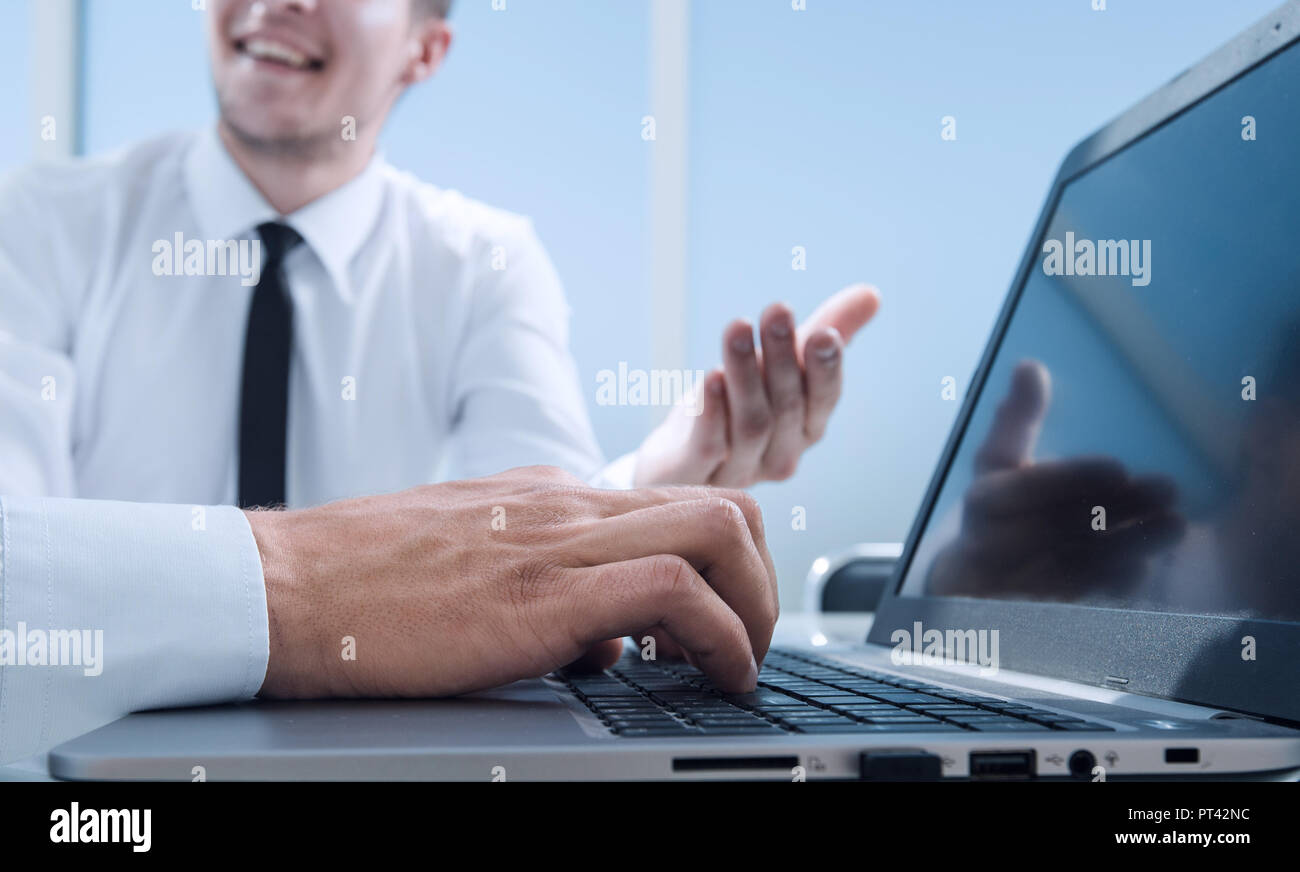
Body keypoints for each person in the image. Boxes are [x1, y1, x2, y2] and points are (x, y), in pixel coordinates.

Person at [0, 0, 879, 764]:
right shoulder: (39, 223)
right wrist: (298, 591)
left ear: (426, 50)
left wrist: (651, 488)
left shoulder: (486, 261)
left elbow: (526, 547)